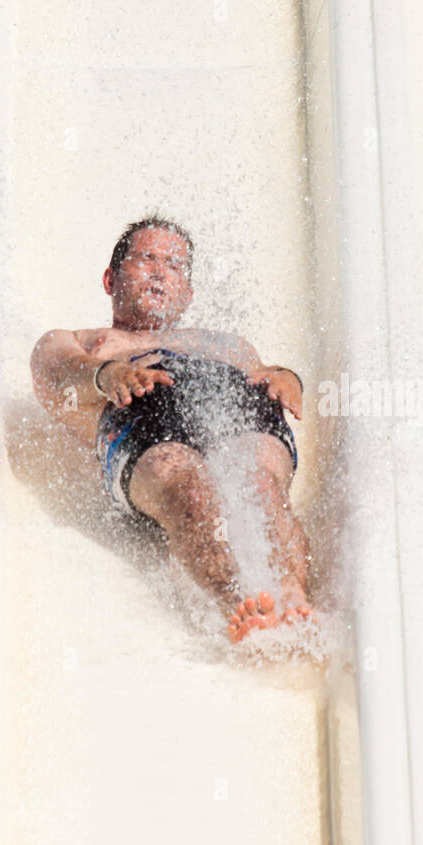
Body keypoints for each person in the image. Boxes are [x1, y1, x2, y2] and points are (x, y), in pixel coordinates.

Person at [31, 216, 311, 642]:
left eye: (176, 265)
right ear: (110, 279)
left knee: (258, 482)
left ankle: (292, 597)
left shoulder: (228, 344)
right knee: (189, 487)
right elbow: (54, 372)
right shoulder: (84, 341)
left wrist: (289, 377)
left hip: (231, 404)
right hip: (143, 416)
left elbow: (264, 373)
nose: (161, 271)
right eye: (146, 259)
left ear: (189, 293)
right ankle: (238, 599)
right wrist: (106, 375)